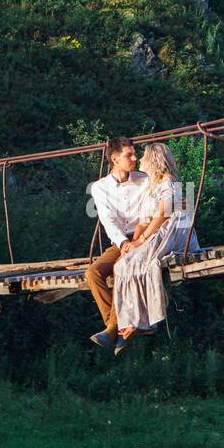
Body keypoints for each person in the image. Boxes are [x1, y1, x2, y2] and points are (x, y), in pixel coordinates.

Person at [110, 143, 200, 355]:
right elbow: (143, 219)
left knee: (141, 262)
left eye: (142, 158)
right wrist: (134, 241)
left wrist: (141, 241)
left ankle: (142, 320)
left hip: (172, 231)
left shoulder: (169, 181)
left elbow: (164, 214)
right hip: (155, 231)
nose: (139, 161)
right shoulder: (150, 186)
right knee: (123, 264)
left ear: (153, 160)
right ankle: (132, 321)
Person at [85, 137, 150, 348]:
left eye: (134, 153)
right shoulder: (100, 187)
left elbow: (156, 209)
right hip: (120, 241)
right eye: (128, 155)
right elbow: (107, 220)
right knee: (92, 273)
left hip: (143, 239)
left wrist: (137, 241)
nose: (134, 157)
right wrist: (123, 244)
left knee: (122, 267)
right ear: (114, 159)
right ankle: (117, 326)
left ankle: (112, 329)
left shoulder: (145, 179)